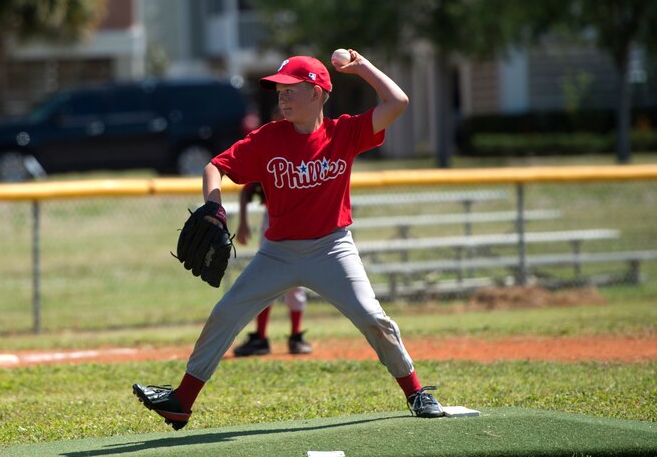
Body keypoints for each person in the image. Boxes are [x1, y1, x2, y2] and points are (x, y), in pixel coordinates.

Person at [134, 52, 444, 429]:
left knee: (372, 318)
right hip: (277, 253)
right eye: (278, 89)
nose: (281, 96)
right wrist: (214, 208)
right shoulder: (268, 138)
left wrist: (360, 67)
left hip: (331, 247)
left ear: (316, 93)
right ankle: (181, 400)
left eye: (290, 89)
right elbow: (215, 167)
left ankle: (415, 392)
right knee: (226, 314)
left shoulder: (344, 132)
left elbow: (398, 102)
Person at [231, 181, 312, 356]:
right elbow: (247, 189)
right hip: (273, 220)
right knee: (266, 280)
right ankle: (261, 337)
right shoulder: (272, 156)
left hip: (302, 221)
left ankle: (295, 336)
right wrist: (243, 223)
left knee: (296, 281)